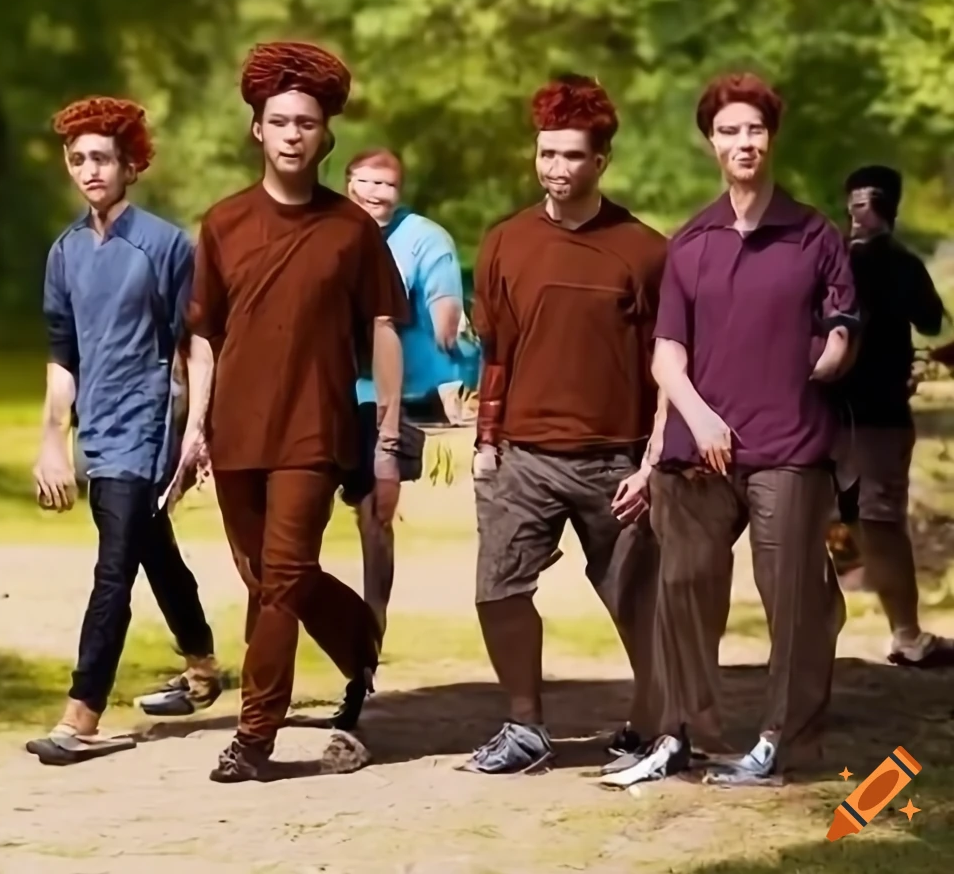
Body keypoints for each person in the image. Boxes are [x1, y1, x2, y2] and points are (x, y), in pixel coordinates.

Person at [603, 73, 858, 789]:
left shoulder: (815, 236)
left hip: (789, 446)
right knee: (680, 588)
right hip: (698, 451)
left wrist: (834, 354)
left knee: (797, 597)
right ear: (711, 143)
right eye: (729, 131)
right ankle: (682, 733)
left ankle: (786, 740)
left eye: (754, 129)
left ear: (770, 138)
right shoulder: (691, 242)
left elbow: (843, 328)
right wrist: (697, 414)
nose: (742, 142)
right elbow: (667, 354)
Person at [188, 41, 409, 783]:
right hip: (235, 432)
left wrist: (384, 444)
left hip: (314, 433)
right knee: (266, 578)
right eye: (277, 120)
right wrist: (195, 430)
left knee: (281, 578)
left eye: (305, 123)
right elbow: (205, 336)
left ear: (325, 136)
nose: (291, 133)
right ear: (256, 129)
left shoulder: (351, 230)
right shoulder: (220, 225)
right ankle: (357, 638)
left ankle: (255, 738)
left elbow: (383, 332)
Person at [462, 73, 667, 775]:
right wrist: (487, 440)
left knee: (637, 599)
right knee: (498, 588)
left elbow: (664, 365)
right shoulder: (505, 242)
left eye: (572, 156)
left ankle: (654, 723)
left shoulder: (643, 251)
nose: (556, 168)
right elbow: (497, 351)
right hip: (522, 454)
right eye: (546, 153)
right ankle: (525, 727)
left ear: (600, 162)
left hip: (618, 460)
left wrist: (654, 462)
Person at [27, 97, 221, 766]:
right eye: (77, 159)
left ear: (130, 164)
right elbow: (63, 357)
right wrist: (53, 439)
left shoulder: (166, 245)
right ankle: (202, 666)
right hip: (98, 432)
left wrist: (197, 432)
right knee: (152, 549)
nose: (88, 170)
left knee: (114, 570)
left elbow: (197, 344)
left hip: (148, 425)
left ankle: (80, 716)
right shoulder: (64, 252)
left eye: (101, 158)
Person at [345, 147, 480, 638]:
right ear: (348, 185)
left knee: (373, 511)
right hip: (330, 388)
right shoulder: (329, 230)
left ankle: (372, 622)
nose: (378, 193)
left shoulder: (425, 239)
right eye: (369, 182)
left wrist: (451, 327)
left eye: (389, 185)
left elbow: (446, 305)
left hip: (396, 395)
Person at [833, 165, 954, 667]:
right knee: (861, 519)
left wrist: (924, 362)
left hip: (853, 411)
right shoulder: (879, 261)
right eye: (857, 200)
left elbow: (935, 328)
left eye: (868, 201)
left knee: (862, 517)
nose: (861, 210)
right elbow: (933, 325)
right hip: (854, 412)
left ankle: (903, 633)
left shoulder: (851, 261)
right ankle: (902, 633)